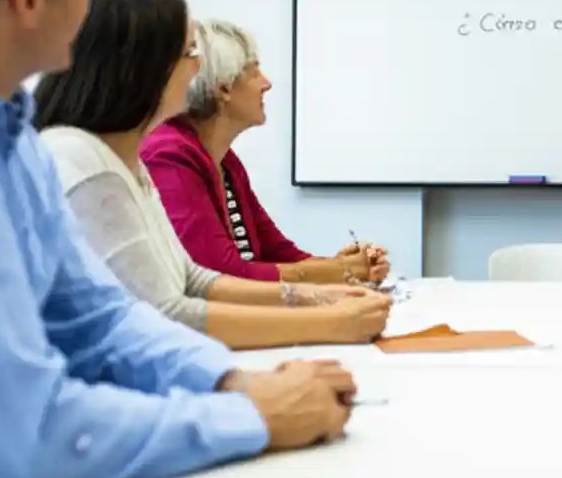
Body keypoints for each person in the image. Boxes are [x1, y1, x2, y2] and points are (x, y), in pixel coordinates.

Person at [0, 0, 355, 478]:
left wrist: (231, 380)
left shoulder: (11, 135)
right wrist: (251, 416)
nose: (89, 1)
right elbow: (26, 436)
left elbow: (97, 317)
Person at [34, 0, 392, 349]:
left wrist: (322, 295)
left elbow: (194, 280)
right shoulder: (84, 160)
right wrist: (325, 320)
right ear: (146, 68)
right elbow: (166, 313)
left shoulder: (126, 161)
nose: (197, 70)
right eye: (190, 54)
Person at [141, 19, 387, 284]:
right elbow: (220, 275)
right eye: (253, 70)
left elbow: (278, 253)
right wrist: (339, 271)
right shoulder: (167, 154)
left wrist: (342, 267)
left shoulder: (226, 162)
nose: (267, 83)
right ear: (223, 88)